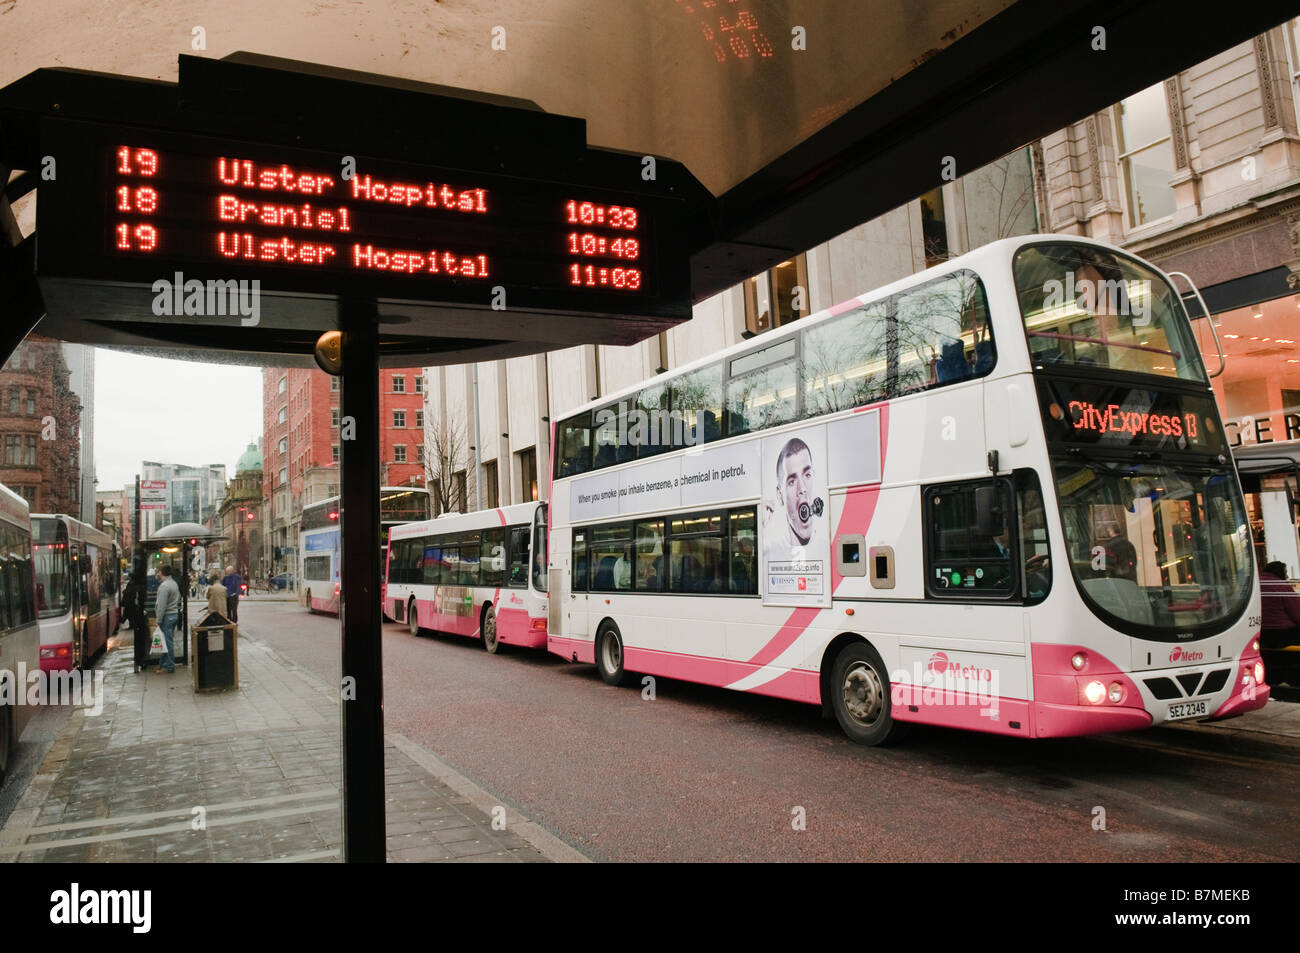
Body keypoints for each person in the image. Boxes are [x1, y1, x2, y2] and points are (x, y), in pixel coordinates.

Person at [763, 436, 824, 565]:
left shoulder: (827, 545)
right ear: (780, 495)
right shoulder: (769, 552)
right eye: (791, 482)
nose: (802, 489)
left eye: (807, 475)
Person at [1260, 561, 1300, 686]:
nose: (1287, 576)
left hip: (1261, 633)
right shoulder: (1280, 585)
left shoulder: (1254, 584)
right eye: (1285, 573)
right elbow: (1297, 613)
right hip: (1282, 634)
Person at [153, 564, 181, 674]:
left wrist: (158, 620)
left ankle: (169, 666)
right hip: (174, 614)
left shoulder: (164, 586)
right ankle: (162, 664)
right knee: (165, 641)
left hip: (167, 616)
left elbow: (161, 606)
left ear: (162, 573)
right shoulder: (173, 583)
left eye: (158, 571)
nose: (157, 573)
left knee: (168, 642)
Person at [123, 570, 150, 672]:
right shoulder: (142, 587)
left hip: (135, 617)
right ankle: (143, 660)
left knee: (138, 640)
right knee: (143, 639)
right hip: (141, 617)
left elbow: (127, 599)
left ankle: (139, 661)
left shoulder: (131, 587)